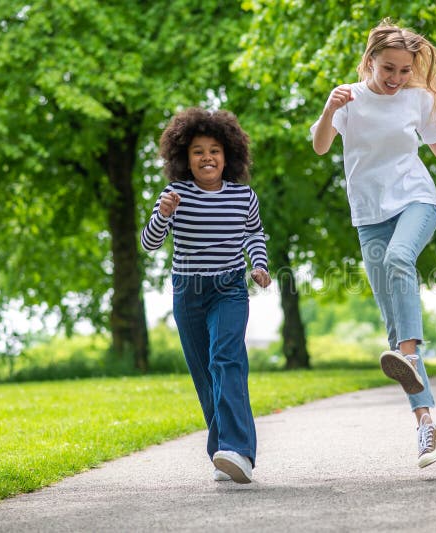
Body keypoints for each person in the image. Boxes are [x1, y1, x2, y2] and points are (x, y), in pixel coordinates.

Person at [310, 18, 436, 468]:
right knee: (393, 328)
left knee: (400, 260)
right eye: (388, 69)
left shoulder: (419, 99)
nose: (396, 78)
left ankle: (410, 357)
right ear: (370, 61)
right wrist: (325, 110)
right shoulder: (348, 98)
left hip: (415, 200)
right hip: (368, 216)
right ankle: (425, 422)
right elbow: (320, 147)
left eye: (403, 70)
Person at [141, 107, 271, 483]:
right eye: (198, 151)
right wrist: (163, 215)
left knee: (226, 360)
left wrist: (258, 266)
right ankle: (222, 452)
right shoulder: (173, 194)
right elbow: (150, 243)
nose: (207, 157)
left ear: (228, 155)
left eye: (214, 150)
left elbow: (253, 235)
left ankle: (239, 451)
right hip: (188, 292)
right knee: (205, 373)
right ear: (184, 157)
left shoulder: (243, 195)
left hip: (229, 287)